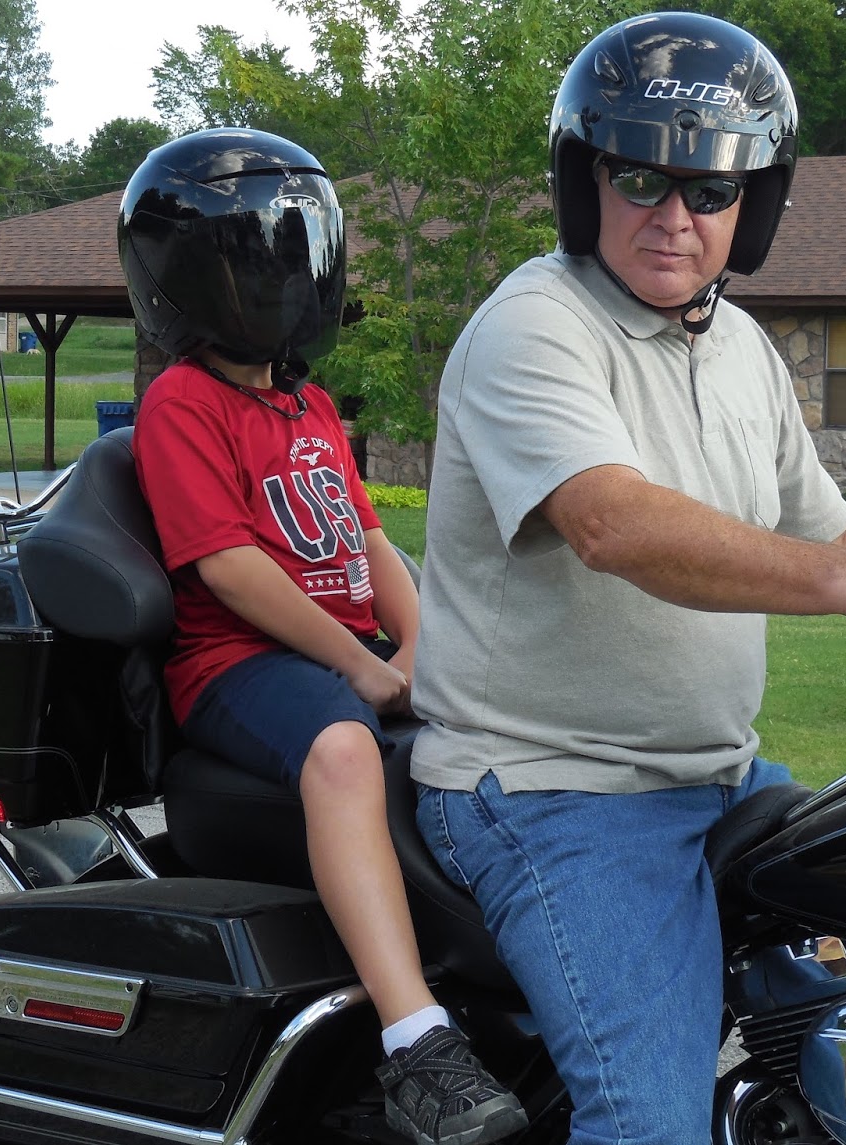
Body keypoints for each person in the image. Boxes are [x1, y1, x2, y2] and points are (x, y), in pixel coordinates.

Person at [409, 13, 846, 1145]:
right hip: (557, 792)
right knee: (651, 1124)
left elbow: (830, 524)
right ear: (586, 181)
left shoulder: (736, 347)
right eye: (639, 175)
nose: (673, 216)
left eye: (709, 189)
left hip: (717, 777)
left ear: (752, 205)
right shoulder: (533, 326)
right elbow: (614, 523)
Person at [118, 128, 527, 1145]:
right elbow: (229, 567)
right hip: (237, 664)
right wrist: (358, 668)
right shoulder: (182, 404)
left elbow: (375, 543)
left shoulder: (309, 407)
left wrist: (420, 644)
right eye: (258, 262)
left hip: (347, 655)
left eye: (292, 258)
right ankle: (417, 1044)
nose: (283, 280)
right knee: (346, 750)